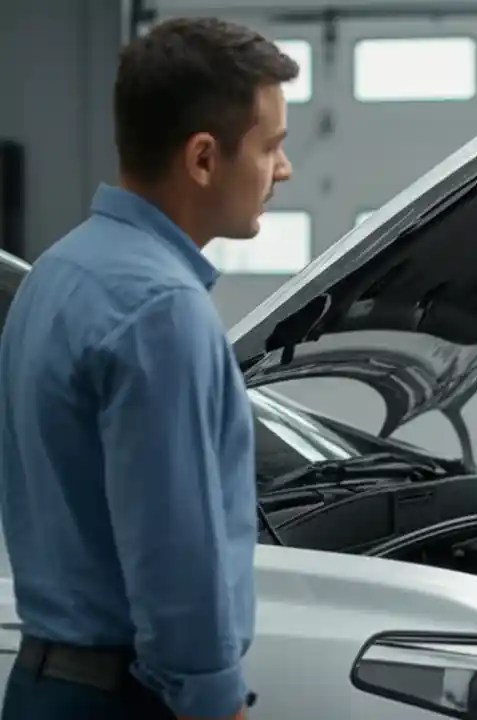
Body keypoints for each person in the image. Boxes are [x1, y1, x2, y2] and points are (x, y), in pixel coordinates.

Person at [0, 17, 296, 720]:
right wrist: (218, 702)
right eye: (271, 147)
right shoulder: (162, 310)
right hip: (126, 700)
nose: (283, 169)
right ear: (202, 158)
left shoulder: (58, 273)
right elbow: (177, 558)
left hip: (43, 688)